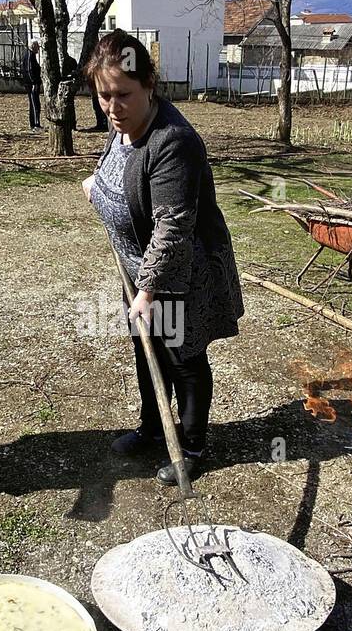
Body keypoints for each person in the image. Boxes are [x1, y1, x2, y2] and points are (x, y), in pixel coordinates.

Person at [81, 29, 243, 484]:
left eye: (124, 95)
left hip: (179, 272)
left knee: (182, 356)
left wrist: (149, 289)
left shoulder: (174, 142)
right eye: (104, 95)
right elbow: (116, 163)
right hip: (138, 267)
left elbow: (173, 226)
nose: (113, 107)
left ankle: (190, 447)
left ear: (150, 85)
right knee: (145, 348)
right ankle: (153, 428)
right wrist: (98, 182)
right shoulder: (124, 127)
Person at [23, 39, 42, 131]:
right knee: (34, 104)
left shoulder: (32, 55)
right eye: (37, 46)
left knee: (36, 104)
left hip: (33, 84)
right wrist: (34, 82)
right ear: (33, 46)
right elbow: (29, 70)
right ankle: (35, 125)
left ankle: (36, 123)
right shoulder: (29, 56)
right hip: (31, 85)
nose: (38, 48)